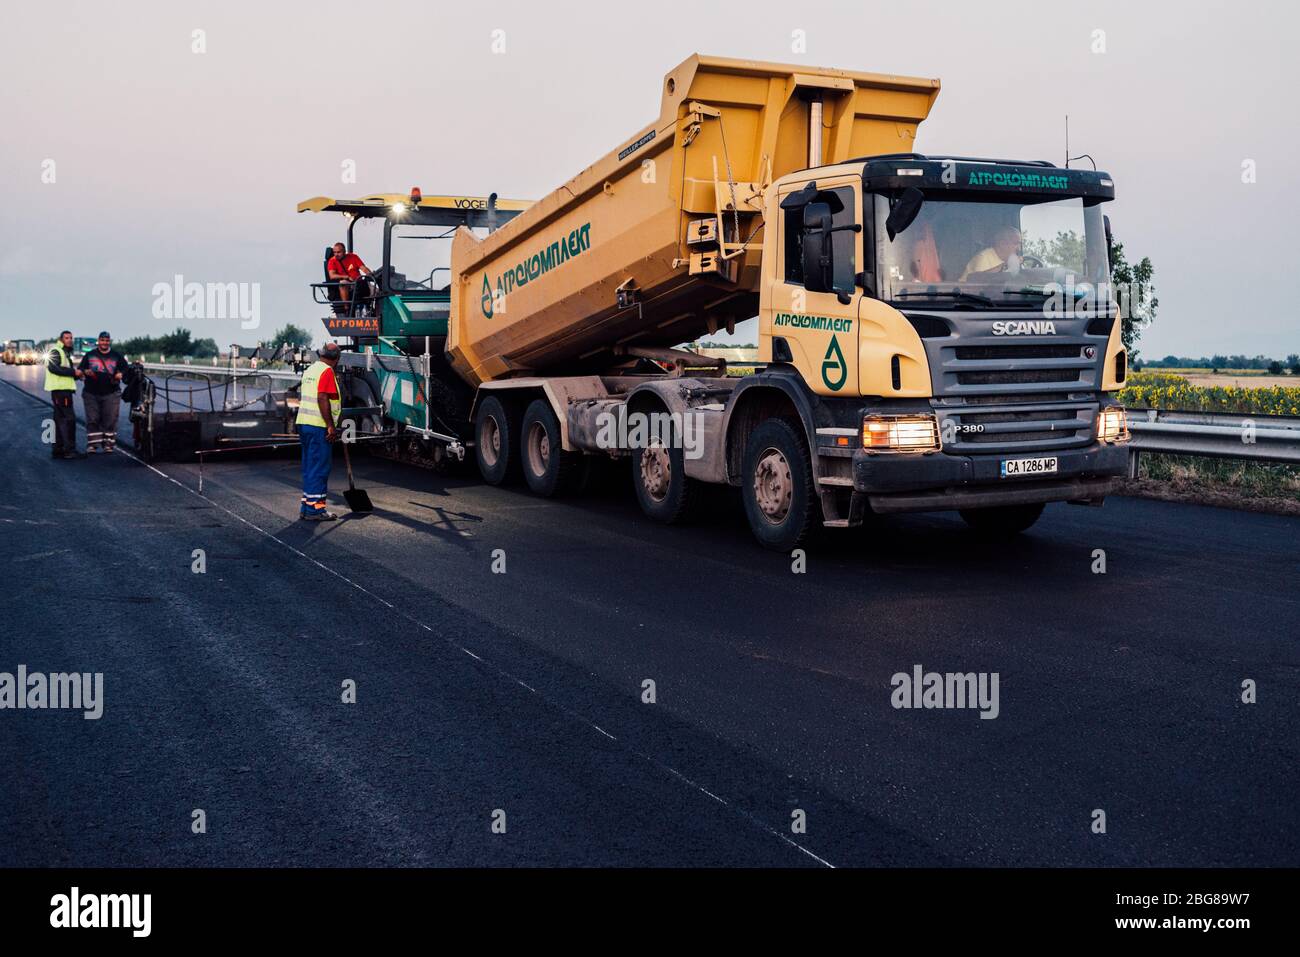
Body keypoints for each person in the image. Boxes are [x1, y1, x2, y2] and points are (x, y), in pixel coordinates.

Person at [296, 342, 343, 521]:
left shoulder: (310, 370)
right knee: (320, 468)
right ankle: (316, 510)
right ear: (337, 359)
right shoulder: (327, 371)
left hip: (304, 423)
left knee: (310, 467)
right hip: (318, 426)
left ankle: (306, 507)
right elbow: (322, 397)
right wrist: (330, 425)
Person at [77, 331, 128, 453]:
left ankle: (108, 445)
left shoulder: (117, 356)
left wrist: (121, 373)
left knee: (110, 419)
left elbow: (126, 369)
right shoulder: (90, 355)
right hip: (91, 393)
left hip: (111, 393)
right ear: (98, 341)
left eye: (106, 340)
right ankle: (93, 445)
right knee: (93, 418)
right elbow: (80, 369)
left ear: (109, 341)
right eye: (102, 340)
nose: (104, 342)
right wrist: (85, 372)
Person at [44, 330, 83, 459]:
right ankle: (70, 450)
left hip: (59, 391)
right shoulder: (56, 351)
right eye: (67, 338)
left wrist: (79, 375)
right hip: (61, 392)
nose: (70, 340)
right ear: (61, 339)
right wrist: (73, 372)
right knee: (69, 420)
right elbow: (53, 368)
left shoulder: (65, 353)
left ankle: (58, 449)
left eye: (71, 338)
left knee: (59, 419)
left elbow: (66, 372)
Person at [326, 243, 375, 315]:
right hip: (348, 283)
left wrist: (371, 275)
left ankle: (372, 311)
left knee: (377, 291)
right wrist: (346, 277)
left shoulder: (353, 257)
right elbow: (332, 275)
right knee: (343, 283)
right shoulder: (332, 261)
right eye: (334, 252)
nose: (336, 254)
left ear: (344, 251)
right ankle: (347, 308)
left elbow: (363, 268)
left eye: (339, 252)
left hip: (358, 282)